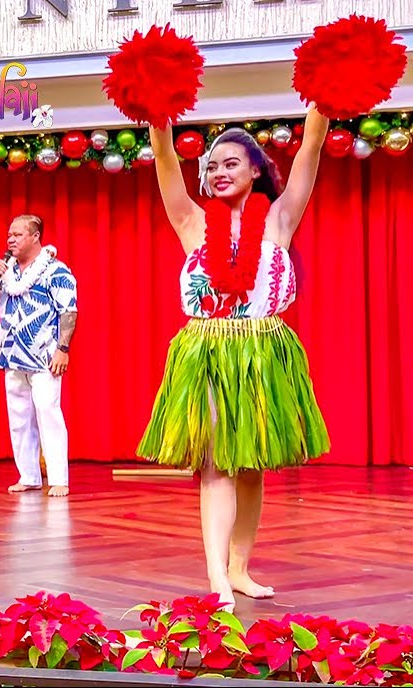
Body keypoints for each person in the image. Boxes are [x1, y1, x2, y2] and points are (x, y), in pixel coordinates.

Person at [137, 106, 330, 606]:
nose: (219, 172)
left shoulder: (279, 219)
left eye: (231, 164)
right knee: (217, 464)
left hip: (263, 350)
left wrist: (324, 99)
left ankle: (240, 569)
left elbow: (311, 147)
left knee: (251, 466)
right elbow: (164, 156)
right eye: (213, 166)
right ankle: (217, 576)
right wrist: (157, 110)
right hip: (208, 350)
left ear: (256, 170)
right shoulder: (193, 222)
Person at [0, 215, 77, 498]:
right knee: (19, 418)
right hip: (11, 356)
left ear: (35, 237)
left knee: (48, 412)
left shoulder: (56, 270)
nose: (11, 240)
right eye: (9, 235)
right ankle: (29, 476)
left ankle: (59, 478)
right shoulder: (6, 271)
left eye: (18, 235)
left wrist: (63, 349)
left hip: (44, 356)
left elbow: (69, 311)